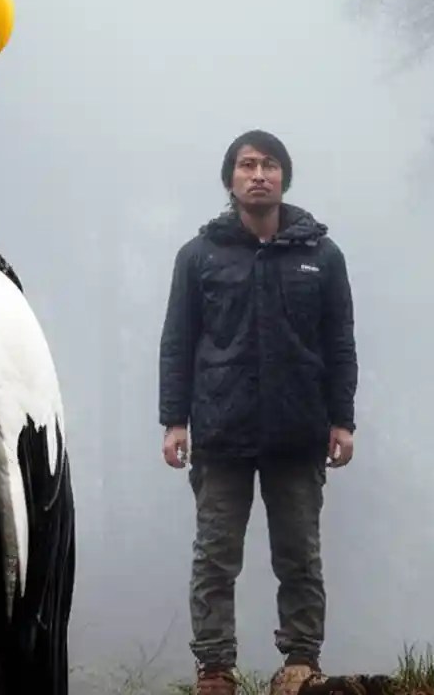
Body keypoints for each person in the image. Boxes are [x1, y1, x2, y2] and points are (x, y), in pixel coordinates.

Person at [157, 129, 358, 695]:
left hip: (299, 433)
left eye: (269, 165)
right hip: (221, 432)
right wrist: (174, 421)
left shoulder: (322, 255)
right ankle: (216, 670)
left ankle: (301, 661)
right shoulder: (198, 256)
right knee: (215, 560)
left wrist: (342, 420)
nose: (258, 174)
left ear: (285, 178)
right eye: (247, 165)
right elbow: (178, 341)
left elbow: (339, 342)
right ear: (230, 180)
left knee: (298, 557)